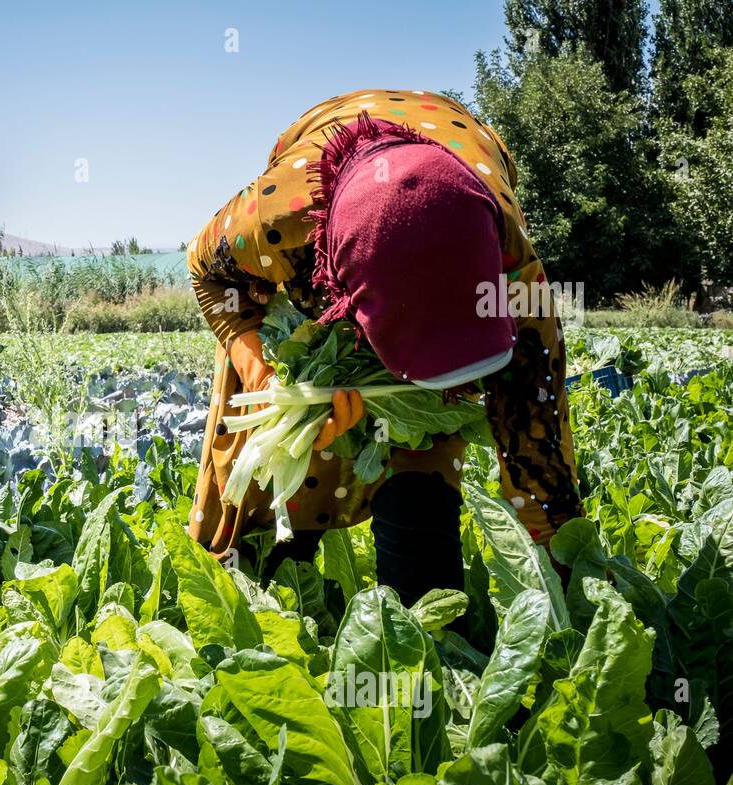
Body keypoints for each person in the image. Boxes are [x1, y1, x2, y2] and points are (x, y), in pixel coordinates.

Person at [186, 89, 581, 607]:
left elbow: (536, 443)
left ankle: (423, 618)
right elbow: (207, 273)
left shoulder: (510, 266)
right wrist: (268, 381)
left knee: (422, 434)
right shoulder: (274, 221)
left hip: (456, 158)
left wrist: (570, 582)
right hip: (327, 222)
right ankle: (265, 590)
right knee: (281, 451)